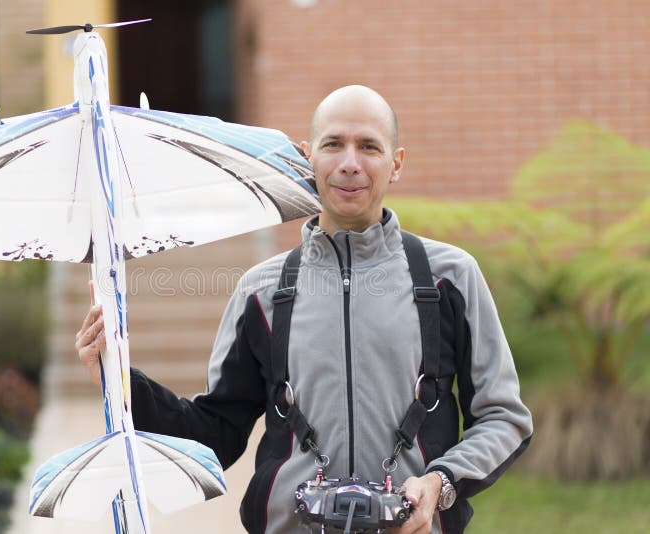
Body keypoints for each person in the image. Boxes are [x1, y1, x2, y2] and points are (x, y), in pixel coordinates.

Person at [75, 85, 533, 534]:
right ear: (306, 156)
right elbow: (215, 431)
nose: (349, 163)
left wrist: (440, 485)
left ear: (395, 164)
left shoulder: (449, 278)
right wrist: (118, 375)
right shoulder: (261, 291)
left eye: (369, 147)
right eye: (333, 144)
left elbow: (503, 418)